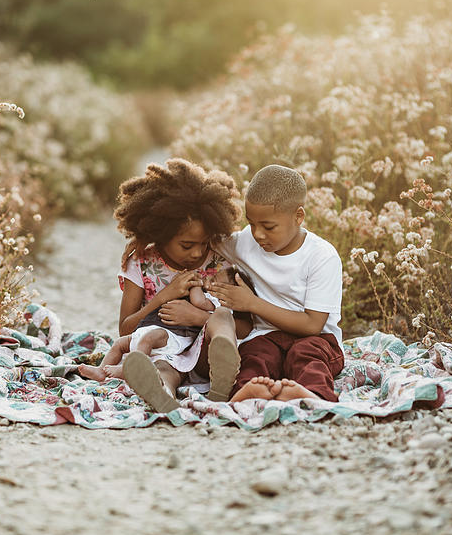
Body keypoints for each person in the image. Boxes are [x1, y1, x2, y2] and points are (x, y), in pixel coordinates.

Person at [76, 158, 246, 413]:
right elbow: (126, 328)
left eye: (204, 242)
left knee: (221, 315)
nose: (197, 252)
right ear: (161, 235)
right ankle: (163, 394)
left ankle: (223, 378)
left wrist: (198, 317)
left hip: (204, 354)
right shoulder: (142, 263)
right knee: (162, 370)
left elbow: (244, 326)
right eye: (187, 245)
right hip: (162, 352)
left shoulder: (219, 260)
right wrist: (161, 298)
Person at [206, 164, 345, 402]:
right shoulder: (246, 242)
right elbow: (199, 237)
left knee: (305, 356)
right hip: (266, 336)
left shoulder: (322, 256)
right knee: (255, 354)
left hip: (318, 339)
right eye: (252, 223)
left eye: (268, 226)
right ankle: (248, 390)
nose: (258, 234)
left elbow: (313, 324)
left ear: (298, 216)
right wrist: (145, 242)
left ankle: (313, 395)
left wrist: (252, 304)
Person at [77, 267, 252, 381]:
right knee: (120, 344)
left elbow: (198, 302)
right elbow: (124, 327)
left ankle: (130, 369)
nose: (209, 281)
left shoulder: (217, 303)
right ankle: (101, 370)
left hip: (176, 336)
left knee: (148, 340)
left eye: (214, 280)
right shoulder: (140, 265)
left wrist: (196, 284)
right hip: (159, 328)